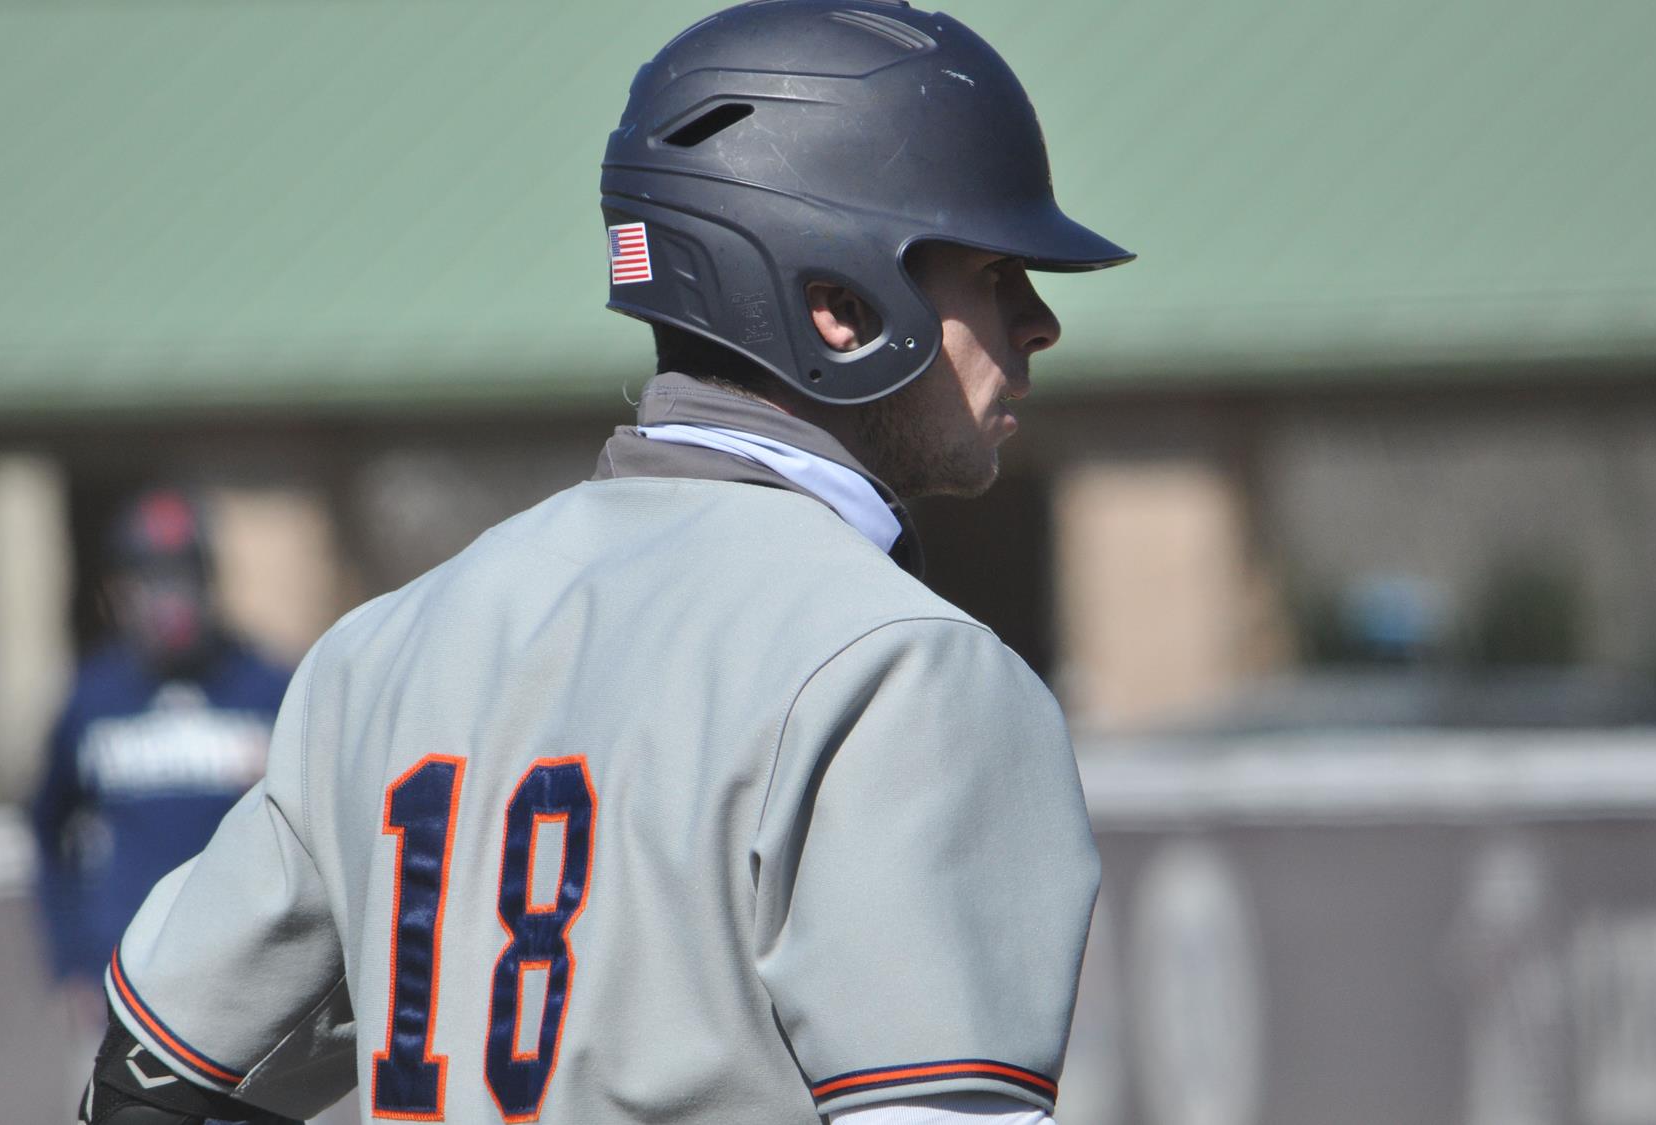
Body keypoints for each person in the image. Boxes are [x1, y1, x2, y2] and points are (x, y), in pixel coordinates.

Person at [78, 3, 1132, 1123]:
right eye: (996, 273)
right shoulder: (907, 671)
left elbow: (148, 1084)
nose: (1037, 322)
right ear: (840, 306)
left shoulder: (382, 649)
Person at [30, 489, 292, 1056]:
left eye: (182, 576)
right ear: (119, 590)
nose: (169, 597)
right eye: (150, 578)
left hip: (248, 983)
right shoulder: (92, 697)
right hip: (124, 987)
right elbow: (48, 830)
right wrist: (71, 958)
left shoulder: (270, 690)